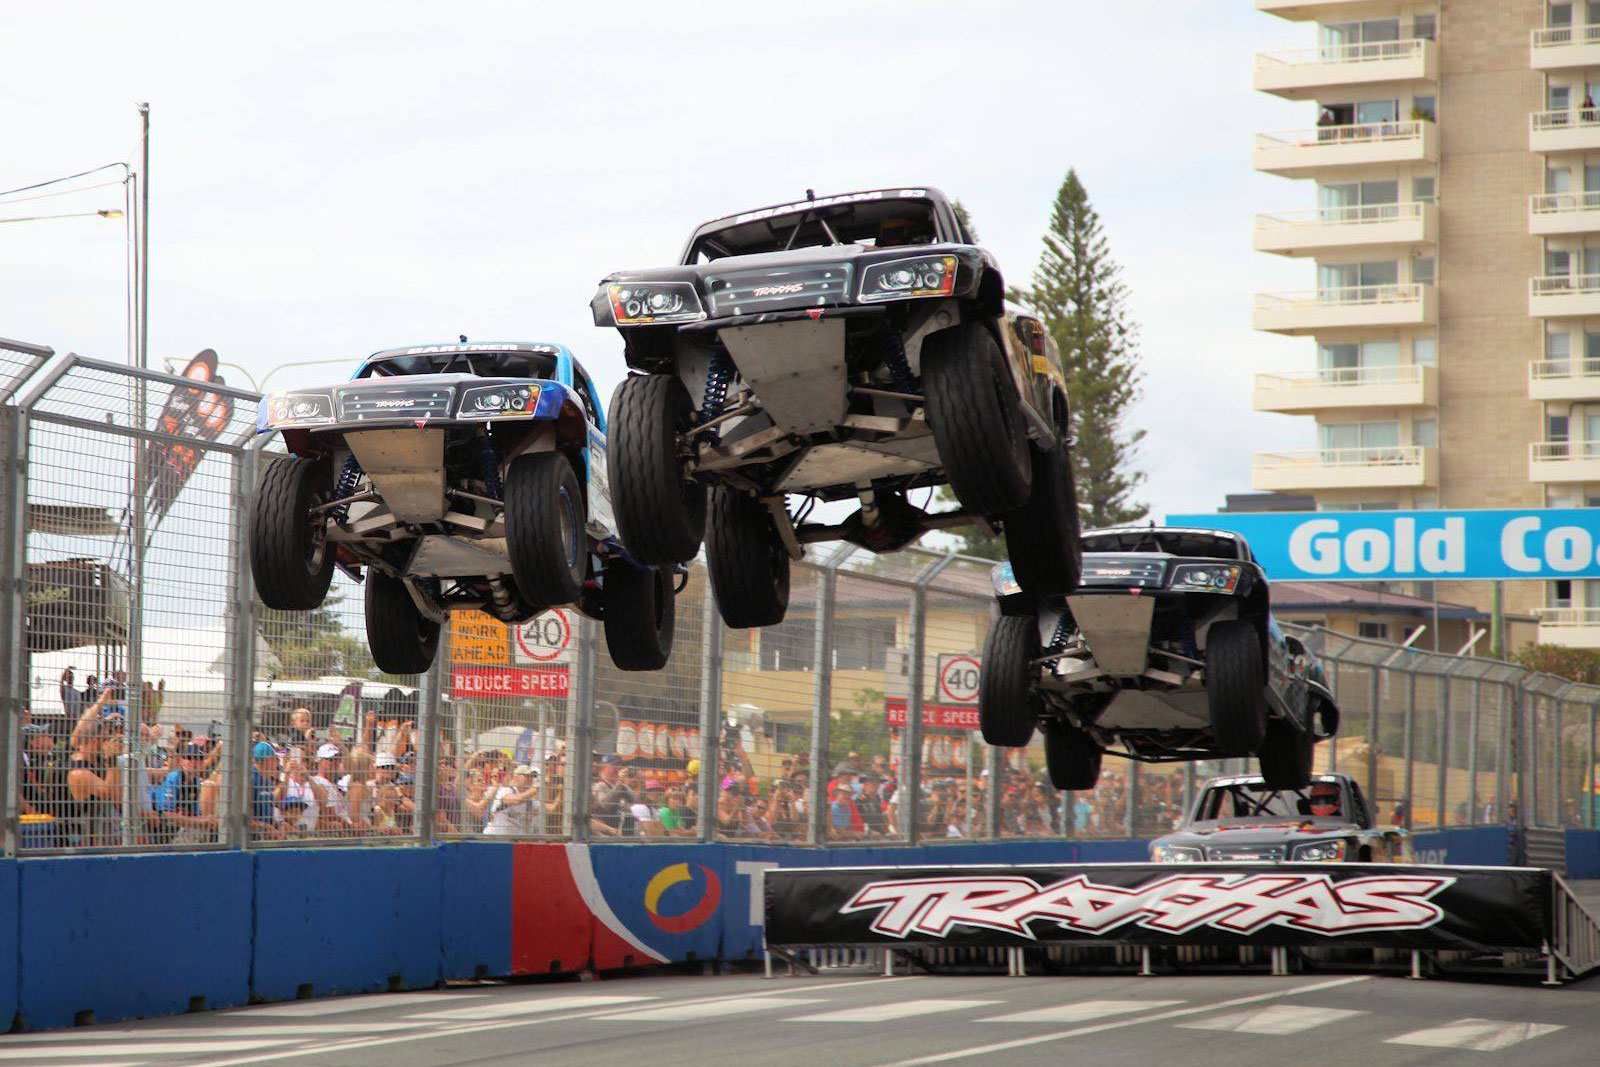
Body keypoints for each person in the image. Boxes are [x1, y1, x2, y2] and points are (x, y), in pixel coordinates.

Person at [154, 743, 215, 846]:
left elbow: (196, 814)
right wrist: (200, 822)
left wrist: (208, 820)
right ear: (182, 761)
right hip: (165, 831)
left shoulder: (196, 782)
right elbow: (168, 815)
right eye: (189, 758)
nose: (193, 762)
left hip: (182, 828)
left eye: (197, 759)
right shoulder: (174, 777)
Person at [483, 765, 543, 836]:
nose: (529, 779)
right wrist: (535, 789)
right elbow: (516, 800)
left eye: (532, 776)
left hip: (510, 842)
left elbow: (549, 809)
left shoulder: (530, 800)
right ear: (516, 776)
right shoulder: (506, 790)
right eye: (526, 776)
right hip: (493, 838)